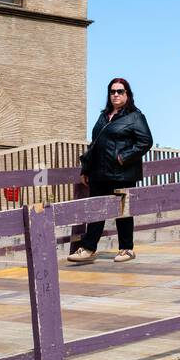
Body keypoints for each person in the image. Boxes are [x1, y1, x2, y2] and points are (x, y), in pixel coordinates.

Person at [70, 78, 153, 263]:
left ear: (128, 94)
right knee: (95, 210)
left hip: (122, 174)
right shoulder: (103, 116)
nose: (115, 94)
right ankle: (88, 248)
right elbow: (94, 145)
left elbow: (146, 141)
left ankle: (126, 249)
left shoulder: (135, 116)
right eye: (112, 91)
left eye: (120, 91)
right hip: (98, 173)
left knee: (122, 212)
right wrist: (85, 169)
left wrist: (123, 157)